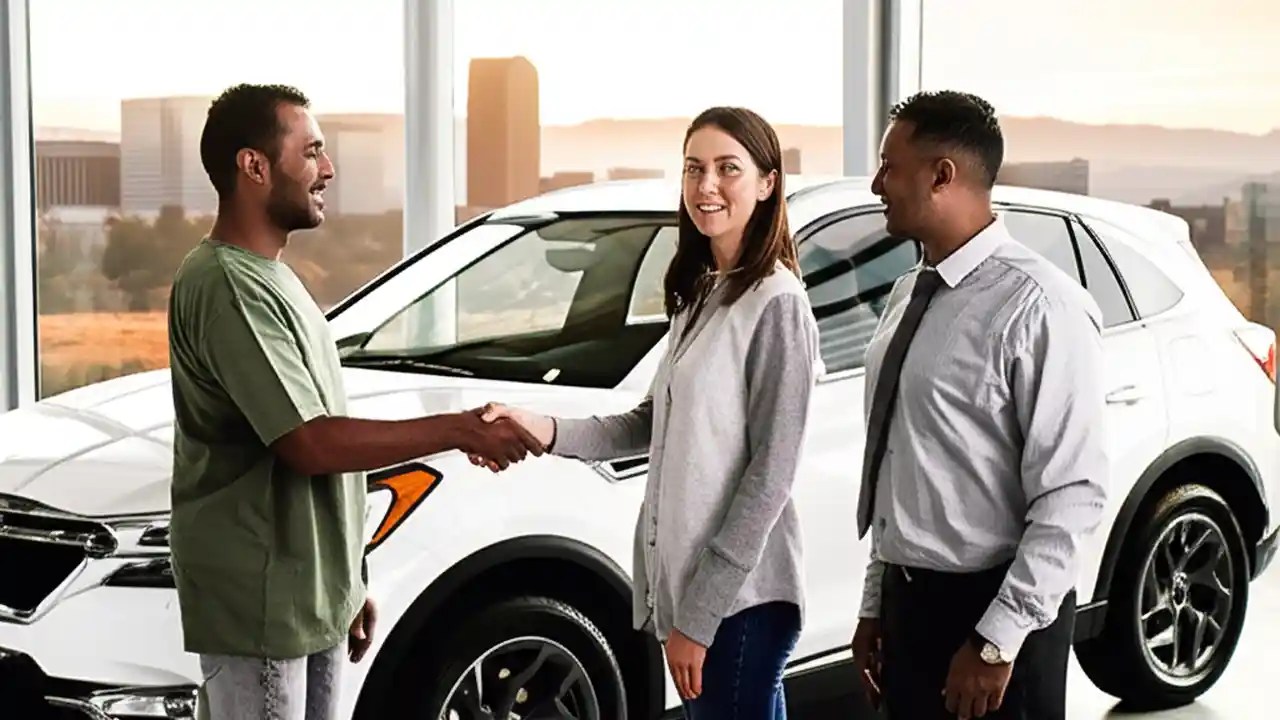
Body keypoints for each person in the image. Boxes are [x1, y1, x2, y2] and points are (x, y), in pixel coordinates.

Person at [167, 83, 544, 720]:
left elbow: (322, 439)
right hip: (264, 610)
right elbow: (311, 443)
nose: (329, 168)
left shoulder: (275, 277)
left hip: (309, 597)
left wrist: (348, 582)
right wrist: (459, 429)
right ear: (254, 166)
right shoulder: (228, 285)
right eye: (311, 151)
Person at [474, 106, 821, 719]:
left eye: (727, 169)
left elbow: (771, 477)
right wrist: (542, 429)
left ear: (768, 184)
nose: (705, 186)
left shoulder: (776, 303)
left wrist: (700, 616)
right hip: (693, 598)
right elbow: (647, 424)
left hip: (737, 604)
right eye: (693, 168)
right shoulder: (703, 293)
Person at [849, 89, 1109, 720]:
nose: (876, 182)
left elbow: (1072, 496)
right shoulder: (911, 292)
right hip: (911, 610)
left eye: (890, 165)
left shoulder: (1041, 306)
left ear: (942, 175)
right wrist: (876, 603)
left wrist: (995, 642)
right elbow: (900, 456)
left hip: (997, 617)